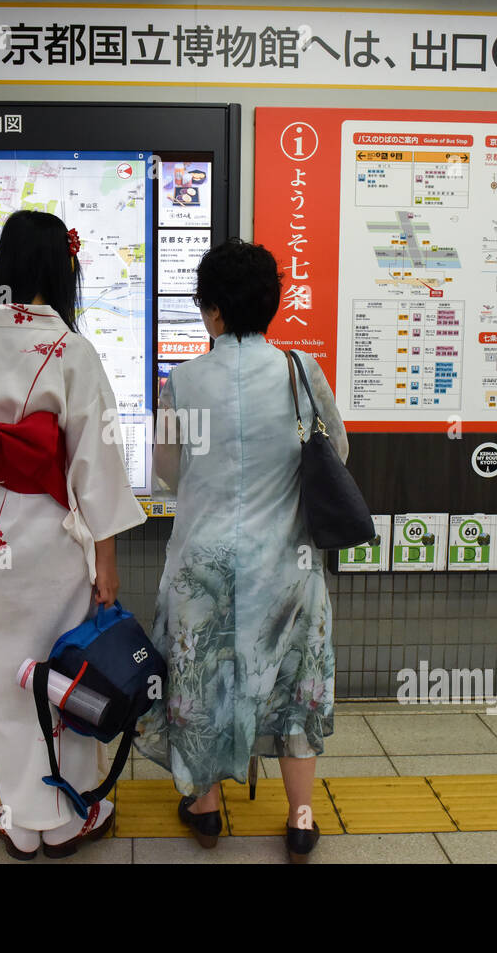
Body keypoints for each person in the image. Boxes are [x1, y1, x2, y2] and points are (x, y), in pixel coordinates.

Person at [0, 210, 146, 860]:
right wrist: (105, 559)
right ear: (62, 269)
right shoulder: (69, 350)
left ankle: (21, 816)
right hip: (50, 532)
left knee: (4, 674)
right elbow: (96, 459)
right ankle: (67, 815)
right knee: (64, 669)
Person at [134, 238, 348, 863]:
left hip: (202, 567)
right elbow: (336, 456)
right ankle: (301, 816)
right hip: (286, 567)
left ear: (214, 310)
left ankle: (204, 807)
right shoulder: (301, 371)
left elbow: (168, 472)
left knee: (201, 680)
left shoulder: (183, 381)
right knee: (296, 683)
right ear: (270, 304)